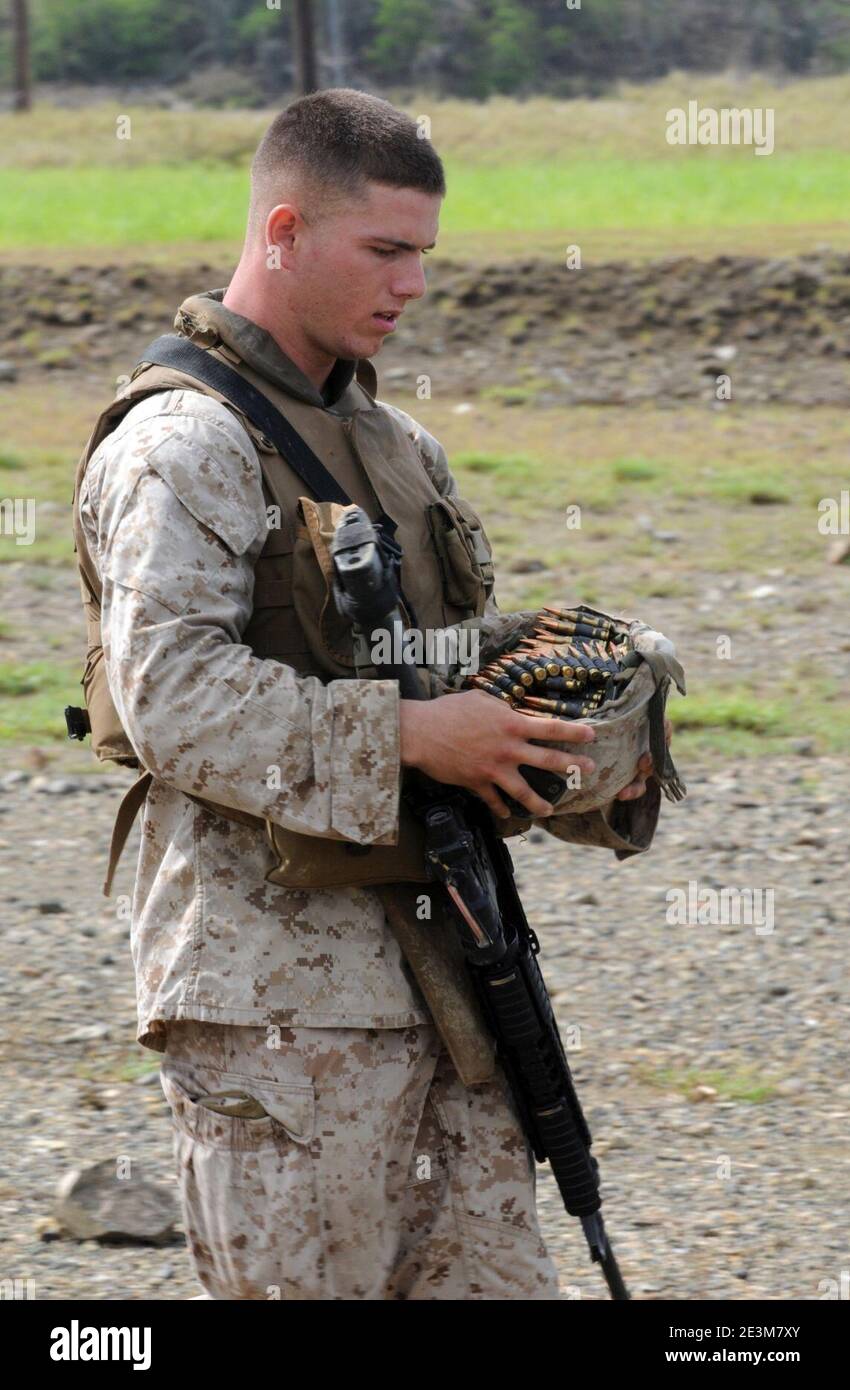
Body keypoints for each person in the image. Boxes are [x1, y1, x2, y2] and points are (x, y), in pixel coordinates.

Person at [75, 88, 663, 1300]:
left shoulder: (397, 447)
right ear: (283, 231)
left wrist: (569, 710)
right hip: (275, 1005)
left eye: (424, 256)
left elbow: (422, 657)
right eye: (384, 249)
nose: (411, 285)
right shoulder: (179, 445)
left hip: (451, 977)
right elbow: (174, 693)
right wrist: (413, 733)